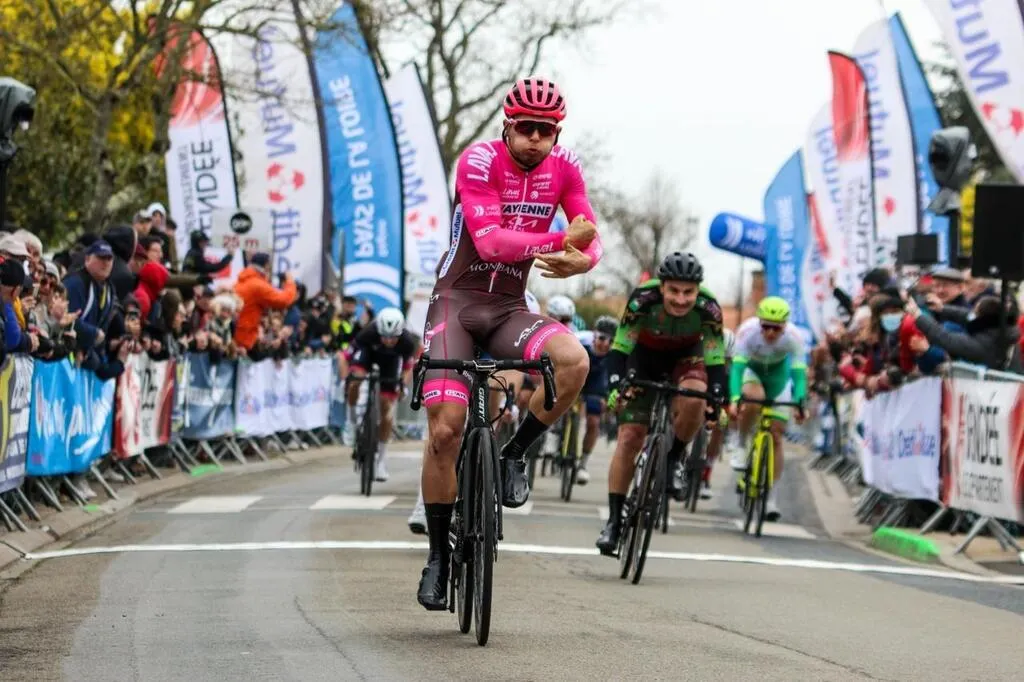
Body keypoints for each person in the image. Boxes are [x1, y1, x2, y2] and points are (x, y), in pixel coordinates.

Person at [416, 77, 603, 610]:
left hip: (509, 309)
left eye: (546, 131)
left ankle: (516, 454)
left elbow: (589, 231)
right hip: (455, 303)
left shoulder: (565, 167)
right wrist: (561, 242)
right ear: (507, 124)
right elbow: (494, 241)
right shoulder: (478, 162)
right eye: (526, 129)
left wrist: (584, 260)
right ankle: (437, 556)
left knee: (573, 361)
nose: (536, 140)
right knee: (446, 431)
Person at [595, 252, 725, 556]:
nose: (681, 299)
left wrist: (716, 398)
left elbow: (716, 359)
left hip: (686, 356)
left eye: (688, 292)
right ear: (662, 286)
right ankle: (614, 522)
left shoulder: (709, 308)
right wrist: (615, 385)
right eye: (674, 291)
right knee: (629, 437)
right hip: (644, 358)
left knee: (696, 393)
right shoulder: (642, 299)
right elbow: (620, 347)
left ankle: (673, 458)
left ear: (697, 290)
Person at [726, 297, 808, 521]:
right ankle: (742, 444)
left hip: (778, 379)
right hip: (752, 373)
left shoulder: (794, 337)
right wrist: (735, 398)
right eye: (766, 326)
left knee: (777, 436)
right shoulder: (747, 332)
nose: (771, 333)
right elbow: (737, 369)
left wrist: (801, 402)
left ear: (785, 326)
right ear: (759, 322)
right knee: (754, 397)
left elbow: (799, 374)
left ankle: (771, 497)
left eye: (777, 328)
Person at [343, 307, 420, 482]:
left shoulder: (407, 342)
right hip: (368, 358)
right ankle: (352, 422)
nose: (388, 341)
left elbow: (408, 368)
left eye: (393, 338)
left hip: (390, 366)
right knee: (355, 382)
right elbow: (348, 355)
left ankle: (381, 459)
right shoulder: (368, 333)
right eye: (384, 336)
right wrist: (348, 376)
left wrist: (402, 385)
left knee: (387, 409)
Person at [575, 314, 617, 484]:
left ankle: (582, 464)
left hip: (596, 380)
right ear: (594, 334)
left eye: (611, 340)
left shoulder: (615, 352)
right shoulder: (579, 341)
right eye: (601, 338)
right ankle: (554, 434)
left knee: (593, 422)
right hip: (577, 371)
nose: (605, 344)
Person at [233, 253, 297, 352]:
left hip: (238, 333)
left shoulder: (242, 281)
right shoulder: (258, 285)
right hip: (244, 338)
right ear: (266, 266)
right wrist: (290, 282)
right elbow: (284, 300)